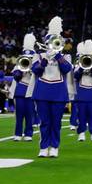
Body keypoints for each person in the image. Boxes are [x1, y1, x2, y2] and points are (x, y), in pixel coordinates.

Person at [29, 17, 71, 158]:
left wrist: (58, 56)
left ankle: (54, 146)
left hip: (58, 92)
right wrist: (45, 59)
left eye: (56, 42)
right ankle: (44, 146)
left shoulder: (65, 56)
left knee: (56, 122)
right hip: (42, 92)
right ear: (46, 43)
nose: (53, 45)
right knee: (45, 122)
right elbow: (36, 71)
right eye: (50, 43)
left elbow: (66, 69)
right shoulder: (39, 55)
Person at [72, 39, 92, 141]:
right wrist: (82, 67)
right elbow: (76, 76)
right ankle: (81, 132)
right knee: (81, 114)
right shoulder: (77, 66)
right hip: (81, 94)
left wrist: (91, 68)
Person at [11, 34, 37, 141]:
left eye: (30, 58)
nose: (28, 60)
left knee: (29, 114)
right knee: (19, 114)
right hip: (21, 91)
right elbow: (16, 77)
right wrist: (22, 70)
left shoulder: (35, 65)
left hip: (31, 91)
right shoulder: (19, 65)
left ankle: (28, 134)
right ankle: (17, 133)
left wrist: (32, 71)